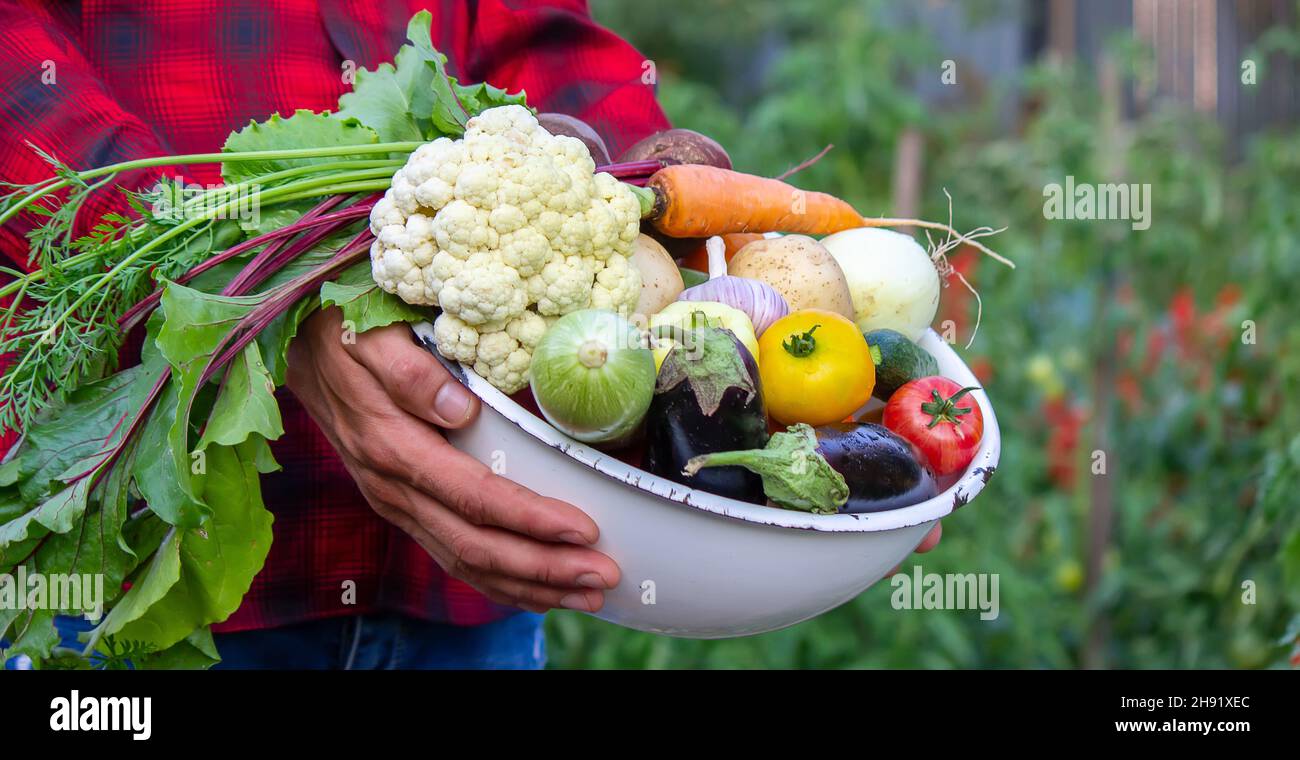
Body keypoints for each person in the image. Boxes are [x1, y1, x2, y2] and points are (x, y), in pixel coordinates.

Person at [0, 0, 940, 669]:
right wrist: (262, 288)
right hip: (142, 545)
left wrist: (666, 195)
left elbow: (531, 35)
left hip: (465, 593)